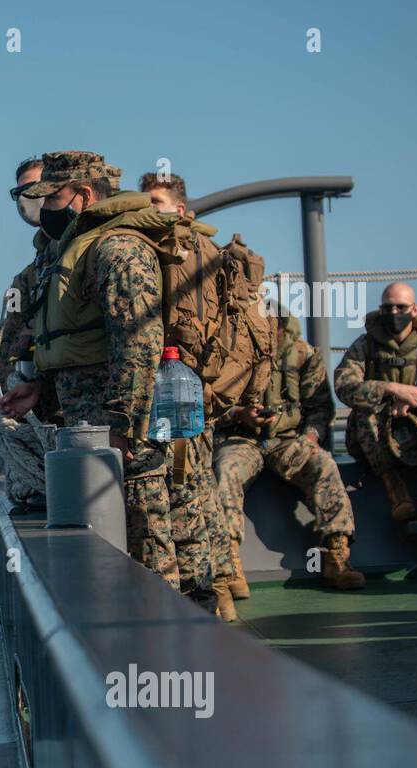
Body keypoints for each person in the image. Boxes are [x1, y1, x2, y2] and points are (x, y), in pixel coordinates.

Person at [0, 151, 184, 596]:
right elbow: (85, 349)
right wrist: (38, 390)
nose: (45, 210)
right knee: (107, 564)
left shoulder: (116, 248)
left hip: (122, 445)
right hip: (89, 437)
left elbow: (138, 342)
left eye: (53, 197)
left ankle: (166, 652)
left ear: (82, 195)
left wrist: (122, 430)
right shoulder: (75, 251)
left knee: (148, 565)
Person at [141, 171, 239, 618]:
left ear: (180, 209)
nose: (148, 209)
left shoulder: (172, 250)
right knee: (195, 485)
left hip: (176, 389)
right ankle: (220, 585)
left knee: (182, 489)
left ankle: (204, 595)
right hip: (196, 388)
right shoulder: (208, 249)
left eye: (157, 201)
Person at [215, 308, 365, 592]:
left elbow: (320, 408)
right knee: (225, 471)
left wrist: (310, 437)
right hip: (241, 438)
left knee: (324, 465)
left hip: (287, 438)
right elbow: (211, 405)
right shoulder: (230, 352)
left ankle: (338, 556)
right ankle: (229, 565)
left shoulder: (304, 354)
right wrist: (239, 414)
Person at [334, 283, 417, 521]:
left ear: (415, 310)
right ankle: (394, 487)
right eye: (388, 307)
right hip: (380, 429)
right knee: (364, 414)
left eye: (401, 307)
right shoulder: (365, 345)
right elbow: (344, 385)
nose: (395, 313)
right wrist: (391, 389)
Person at [0, 156, 61, 509]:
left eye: (34, 190)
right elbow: (10, 347)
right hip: (42, 401)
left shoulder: (87, 255)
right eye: (19, 193)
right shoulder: (30, 275)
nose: (26, 200)